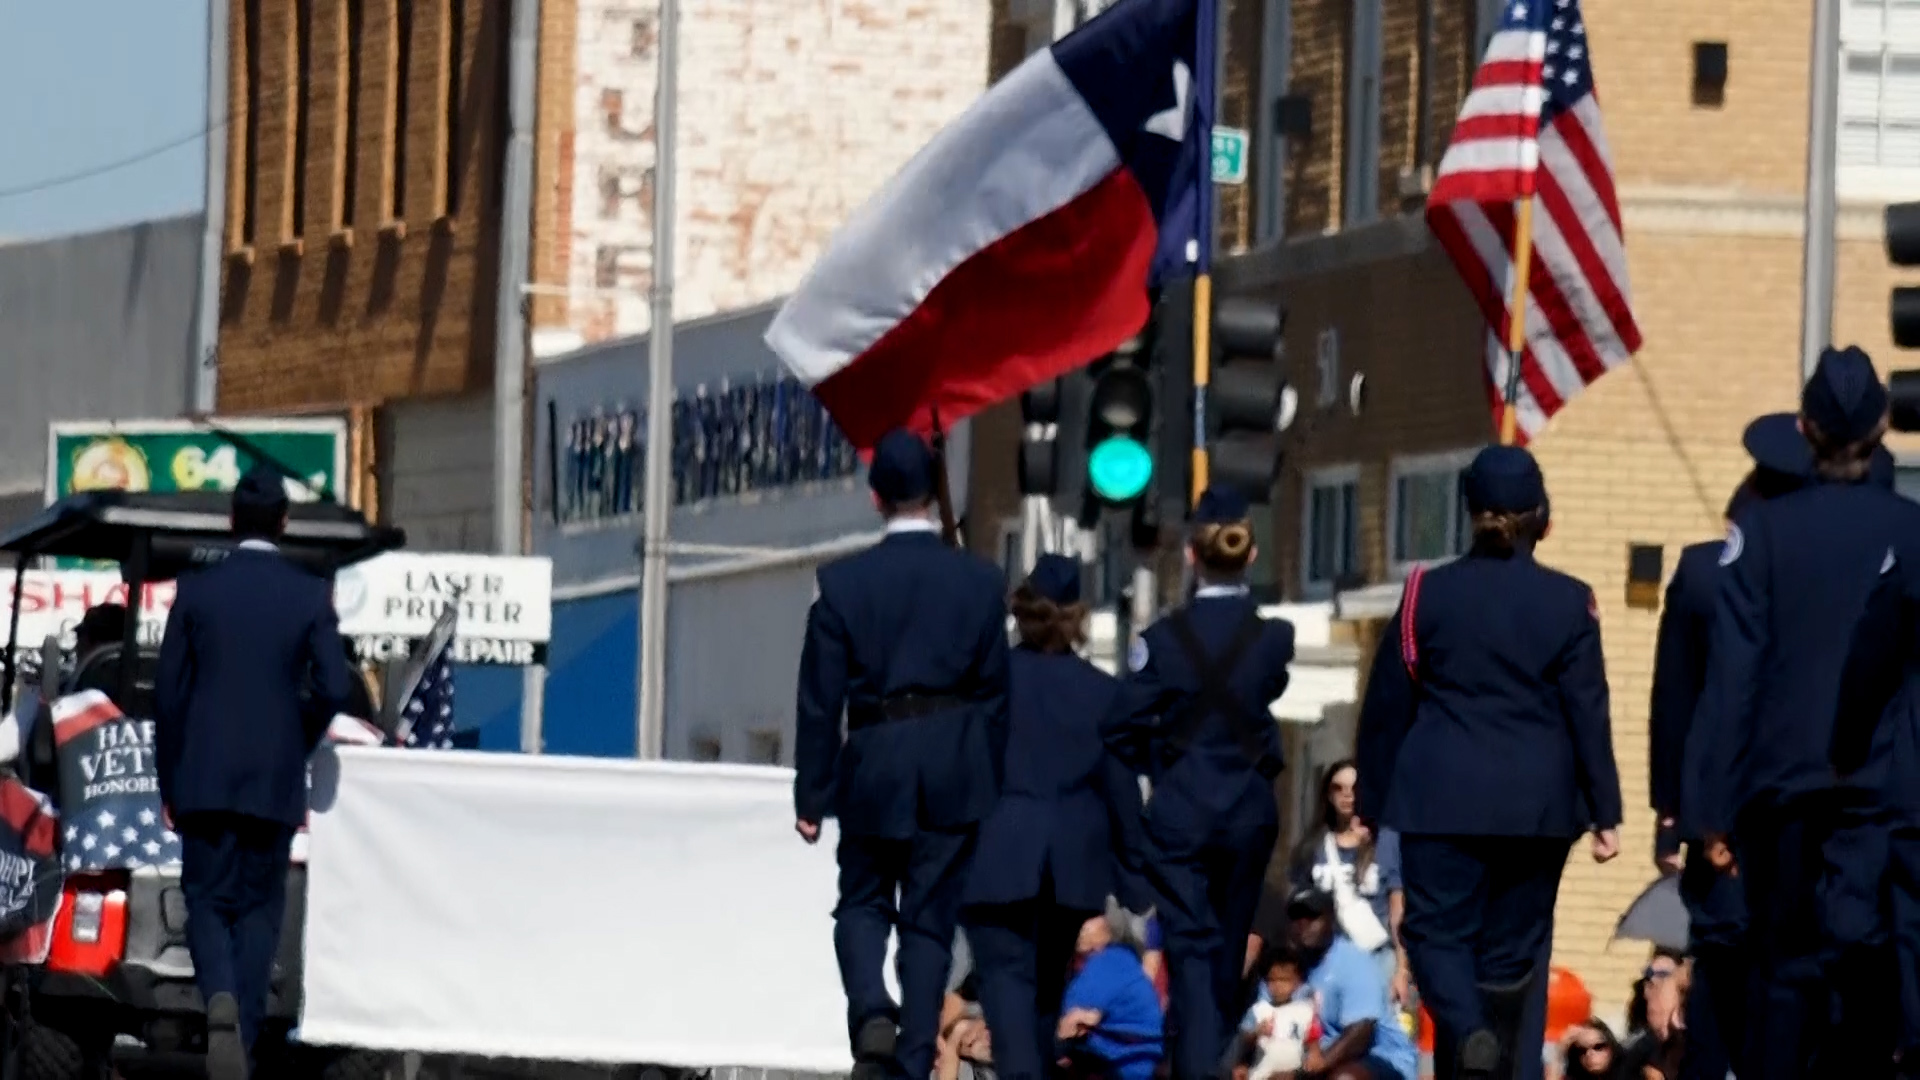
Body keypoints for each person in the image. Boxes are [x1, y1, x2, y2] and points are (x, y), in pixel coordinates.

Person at [1684, 345, 1920, 1080]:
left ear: (1805, 429)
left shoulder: (1765, 536)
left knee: (1783, 973)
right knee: (1871, 963)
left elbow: (1735, 679)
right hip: (1885, 788)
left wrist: (1712, 808)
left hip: (1782, 788)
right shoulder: (1911, 532)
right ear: (1882, 424)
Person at [1355, 444, 1623, 1080]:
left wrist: (1372, 799)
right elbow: (1588, 709)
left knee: (1434, 936)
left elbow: (1388, 703)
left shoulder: (1426, 593)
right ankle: (1489, 1058)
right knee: (1511, 959)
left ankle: (1470, 1033)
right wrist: (1605, 809)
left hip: (1441, 798)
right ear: (1541, 517)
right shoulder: (1569, 601)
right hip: (1537, 807)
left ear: (1469, 513)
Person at [793, 428, 1011, 1080]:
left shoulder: (842, 586)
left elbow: (817, 702)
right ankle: (915, 1057)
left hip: (874, 762)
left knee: (862, 902)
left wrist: (811, 795)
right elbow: (996, 696)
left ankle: (869, 1015)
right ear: (931, 494)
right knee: (929, 923)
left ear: (875, 498)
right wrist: (986, 781)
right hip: (951, 766)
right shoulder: (978, 583)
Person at [154, 466, 353, 1080]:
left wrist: (171, 782)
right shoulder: (308, 595)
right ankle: (237, 1033)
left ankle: (217, 1001)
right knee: (260, 910)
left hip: (204, 780)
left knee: (208, 901)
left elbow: (168, 697)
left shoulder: (197, 592)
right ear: (285, 523)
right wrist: (295, 734)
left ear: (232, 522)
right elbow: (336, 686)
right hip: (272, 781)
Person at [1102, 485, 1294, 1080]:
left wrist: (1160, 764)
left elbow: (1117, 728)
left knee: (1189, 953)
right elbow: (1266, 692)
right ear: (1252, 554)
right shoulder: (1273, 638)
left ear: (1191, 555)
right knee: (1226, 953)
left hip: (1182, 813)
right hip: (1245, 813)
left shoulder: (1161, 642)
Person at [1646, 413, 1810, 1080]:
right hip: (1804, 825)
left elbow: (1675, 702)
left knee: (1720, 981)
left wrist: (1672, 809)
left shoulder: (1704, 573)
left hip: (1721, 817)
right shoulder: (1842, 576)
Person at [963, 554, 1147, 1080]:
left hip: (998, 857)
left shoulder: (985, 684)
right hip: (1071, 866)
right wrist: (1136, 876)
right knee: (1042, 1001)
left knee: (1009, 994)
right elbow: (1121, 791)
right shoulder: (1103, 693)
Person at [1253, 887, 1421, 1080]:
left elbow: (1361, 1034)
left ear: (1331, 919)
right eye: (1296, 918)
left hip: (1380, 1059)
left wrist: (1301, 1075)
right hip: (1310, 1059)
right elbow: (1261, 1020)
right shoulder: (1284, 969)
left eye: (1312, 917)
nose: (1304, 925)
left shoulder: (1353, 962)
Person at [1288, 761, 1405, 996]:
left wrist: (1402, 969)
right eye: (1338, 788)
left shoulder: (1386, 840)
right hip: (1325, 959)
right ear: (1327, 795)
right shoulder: (1313, 845)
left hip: (1377, 957)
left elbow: (1397, 907)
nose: (1347, 795)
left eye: (1354, 788)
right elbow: (1296, 912)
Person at [1055, 906, 1165, 1080]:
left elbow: (1076, 1022)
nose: (1080, 927)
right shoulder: (1123, 960)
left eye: (1088, 919)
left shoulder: (1108, 963)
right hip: (1133, 1058)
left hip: (1120, 1061)